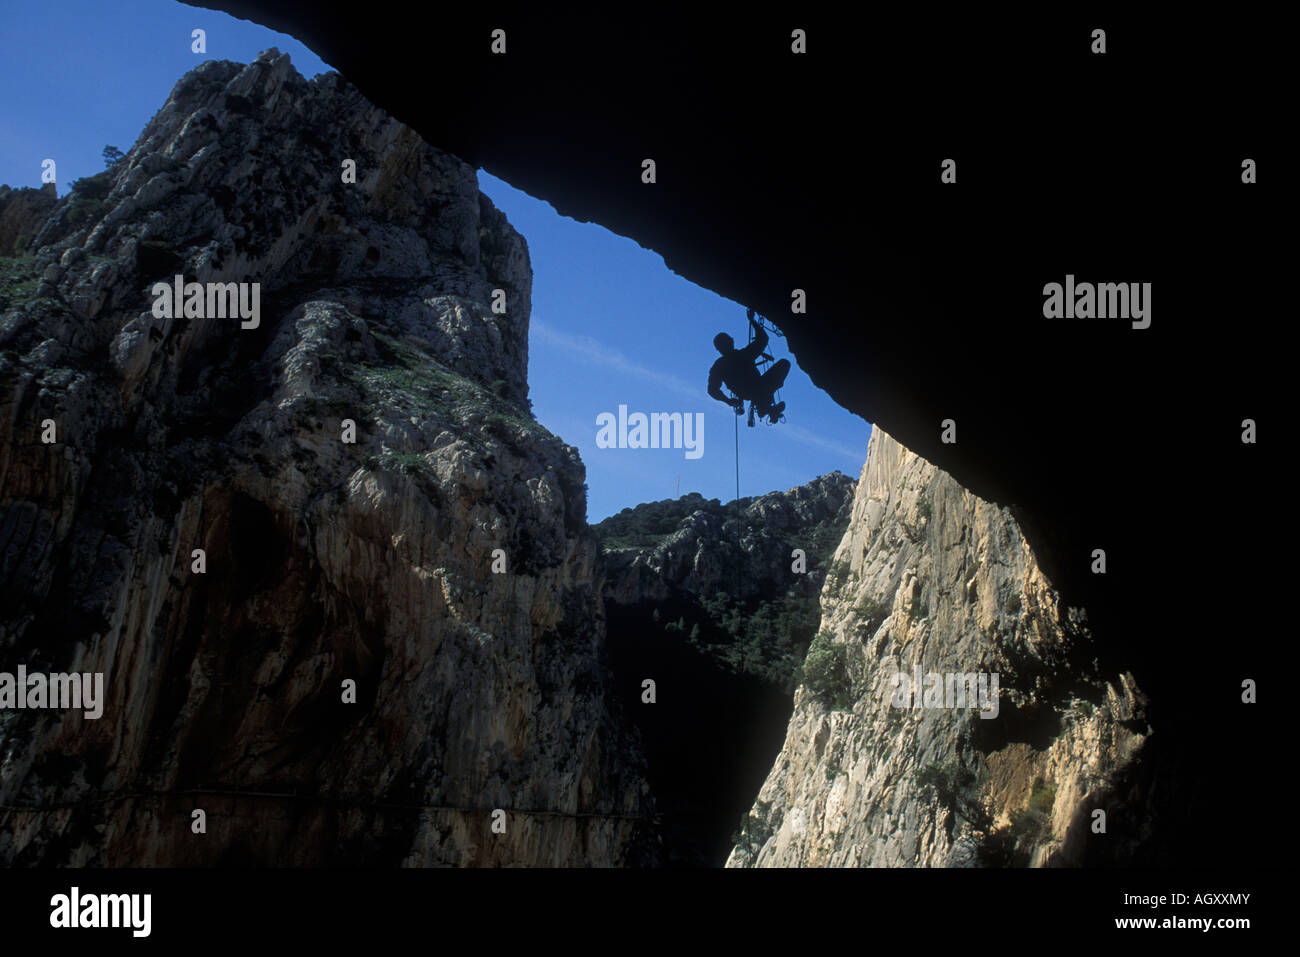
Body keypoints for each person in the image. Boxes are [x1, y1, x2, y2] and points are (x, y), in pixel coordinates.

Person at [707, 309, 789, 423]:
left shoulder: (719, 366)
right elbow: (763, 339)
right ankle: (765, 406)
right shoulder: (743, 355)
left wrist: (728, 401)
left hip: (747, 392)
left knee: (762, 389)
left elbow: (712, 390)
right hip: (757, 387)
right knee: (784, 364)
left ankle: (765, 407)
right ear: (731, 342)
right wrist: (752, 321)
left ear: (719, 349)